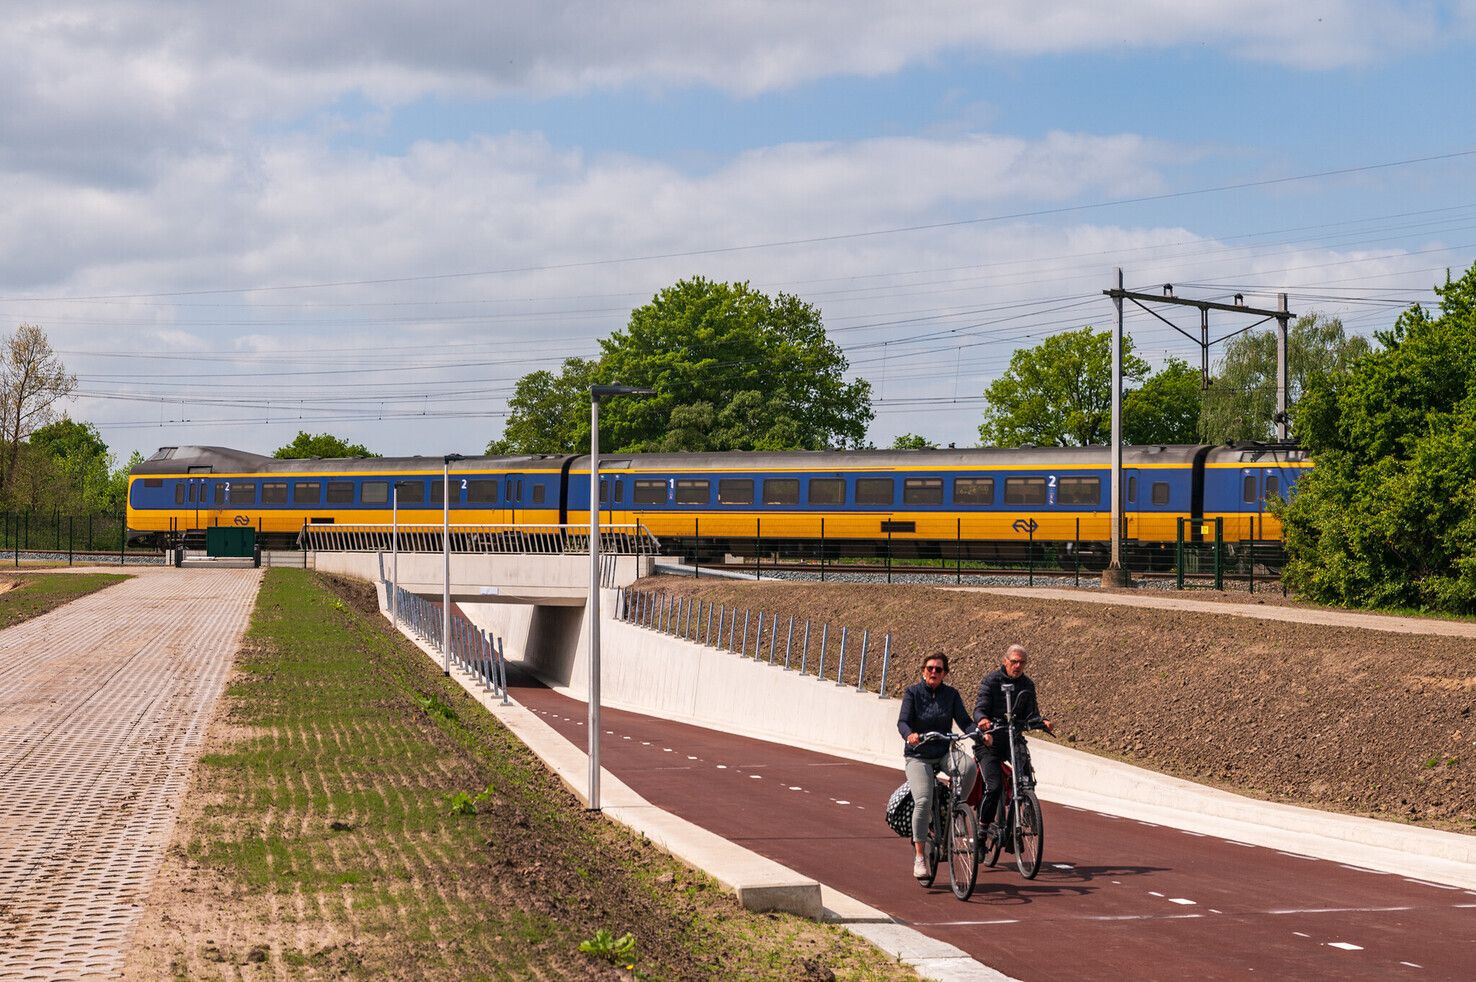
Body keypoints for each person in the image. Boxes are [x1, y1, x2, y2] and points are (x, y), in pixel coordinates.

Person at [897, 652, 976, 879]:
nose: (934, 672)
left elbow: (965, 722)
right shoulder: (912, 693)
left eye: (938, 670)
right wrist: (909, 734)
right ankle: (920, 856)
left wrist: (979, 735)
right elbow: (902, 721)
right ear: (923, 670)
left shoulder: (951, 695)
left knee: (969, 767)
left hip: (944, 751)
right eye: (930, 668)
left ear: (945, 673)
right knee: (923, 799)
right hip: (918, 754)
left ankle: (957, 810)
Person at [973, 644, 1055, 842]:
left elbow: (1031, 713)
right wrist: (983, 719)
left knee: (1026, 777)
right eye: (1014, 661)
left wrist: (1042, 721)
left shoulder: (1027, 684)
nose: (1017, 666)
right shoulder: (991, 681)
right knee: (994, 788)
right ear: (1005, 661)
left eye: (1021, 662)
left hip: (1014, 738)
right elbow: (979, 708)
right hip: (990, 742)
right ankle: (983, 831)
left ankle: (1027, 808)